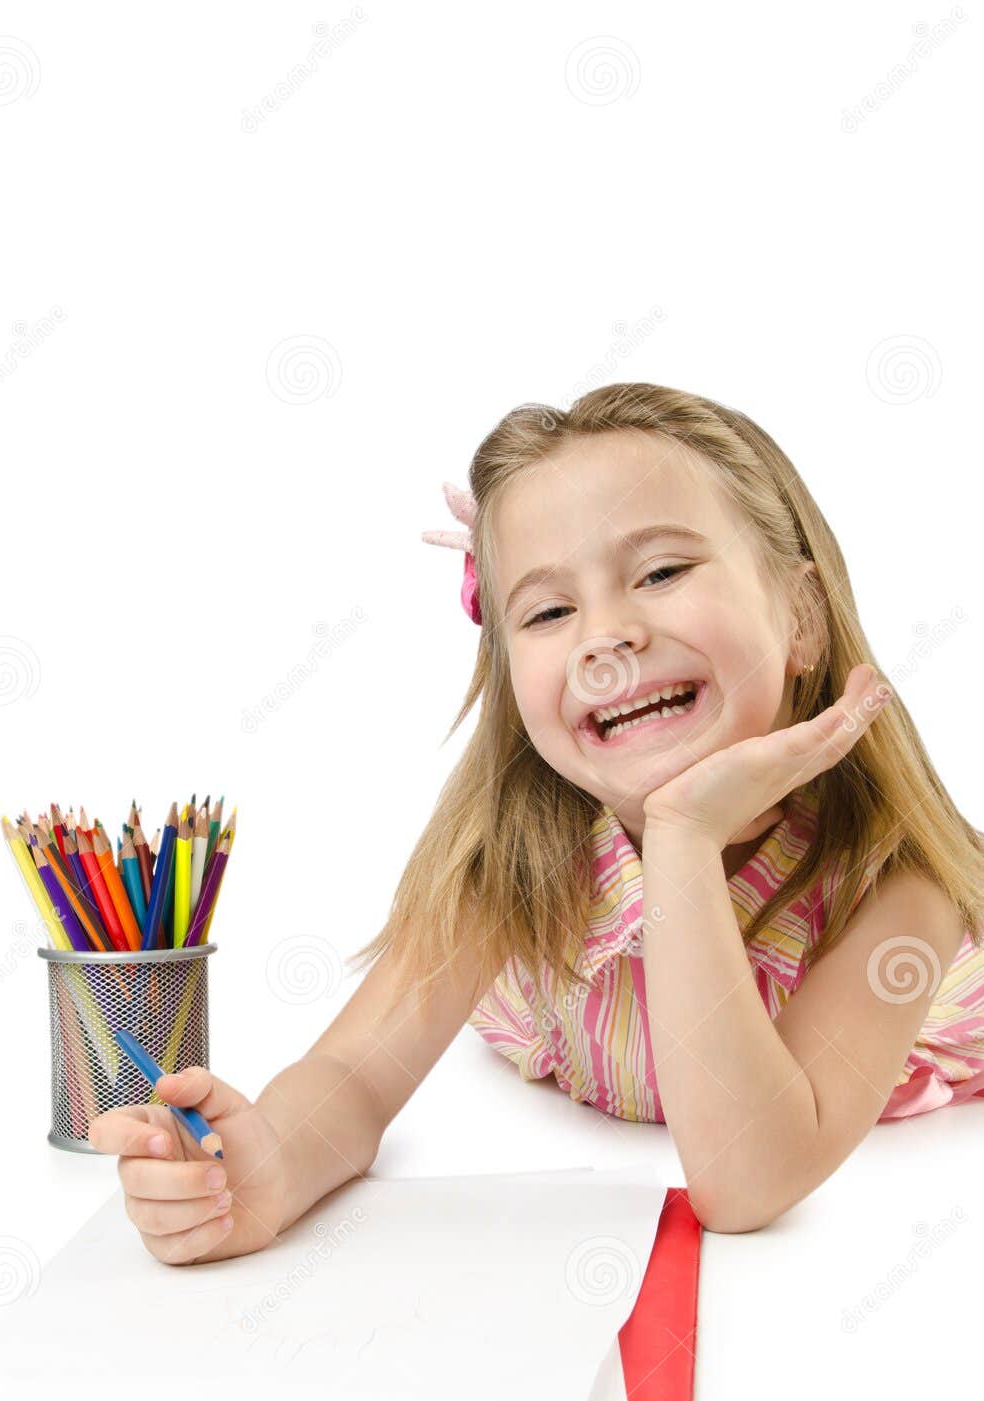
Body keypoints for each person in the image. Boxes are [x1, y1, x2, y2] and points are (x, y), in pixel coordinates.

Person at [88, 382, 984, 1259]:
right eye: (549, 610)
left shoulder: (902, 892)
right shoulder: (518, 857)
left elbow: (746, 1181)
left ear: (803, 617)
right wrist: (269, 1162)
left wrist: (683, 838)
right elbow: (354, 1076)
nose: (608, 635)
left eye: (662, 571)